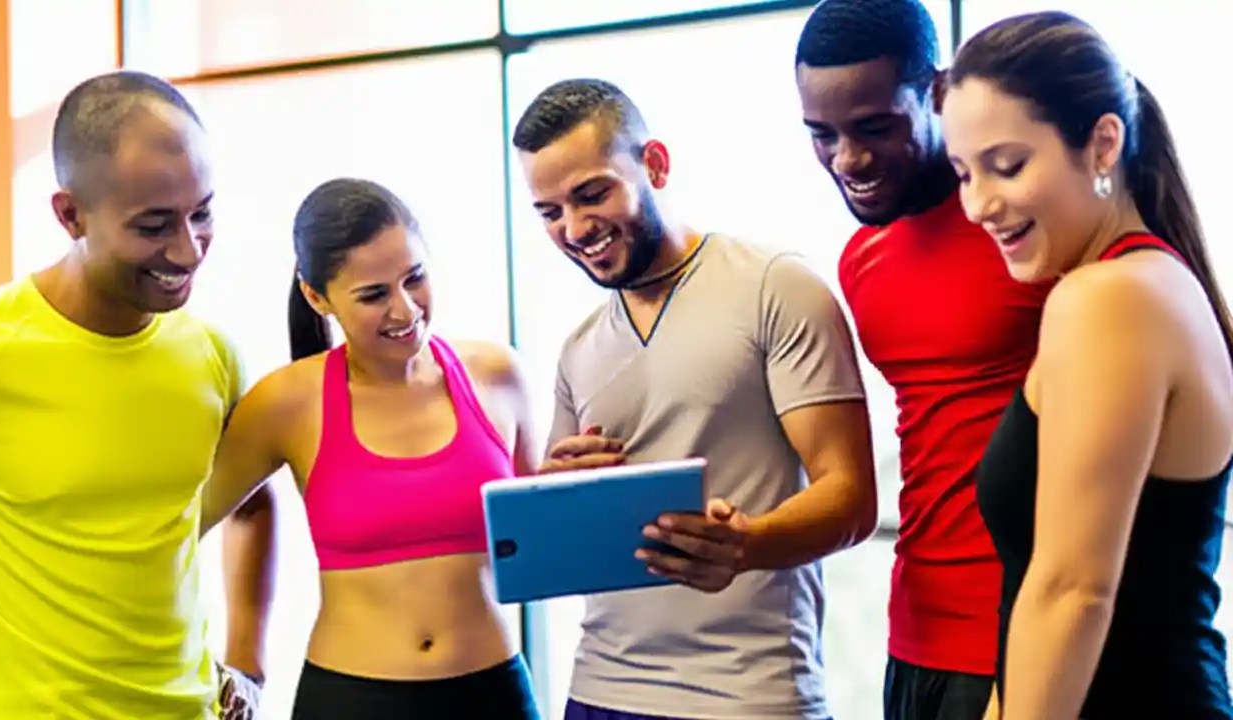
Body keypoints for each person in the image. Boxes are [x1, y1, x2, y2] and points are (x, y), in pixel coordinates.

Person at [513, 77, 879, 720]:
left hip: (747, 695)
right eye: (549, 212)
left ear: (654, 164)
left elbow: (851, 499)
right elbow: (562, 552)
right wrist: (556, 493)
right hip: (600, 688)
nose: (574, 227)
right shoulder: (579, 348)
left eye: (592, 194)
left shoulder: (776, 288)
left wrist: (748, 545)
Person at [941, 11, 1233, 720]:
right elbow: (1034, 592)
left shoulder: (1108, 297)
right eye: (962, 173)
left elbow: (1073, 591)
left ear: (1103, 144)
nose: (978, 204)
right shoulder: (1139, 283)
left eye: (1007, 166)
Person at [0, 70, 261, 718]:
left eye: (201, 212)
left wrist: (249, 661)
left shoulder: (212, 353)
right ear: (71, 215)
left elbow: (253, 506)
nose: (189, 249)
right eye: (154, 226)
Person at [199, 177, 543, 719]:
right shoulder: (286, 401)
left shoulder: (497, 375)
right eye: (374, 295)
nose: (405, 310)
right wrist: (244, 657)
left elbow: (540, 542)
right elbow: (191, 521)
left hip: (493, 694)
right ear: (317, 296)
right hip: (351, 699)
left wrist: (587, 485)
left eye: (415, 279)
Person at [793, 2, 1051, 718]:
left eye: (876, 127)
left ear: (938, 93)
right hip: (913, 641)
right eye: (823, 135)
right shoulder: (861, 259)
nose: (848, 159)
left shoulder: (1031, 234)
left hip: (1030, 636)